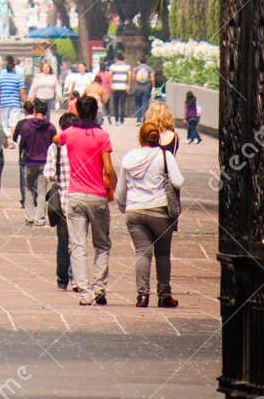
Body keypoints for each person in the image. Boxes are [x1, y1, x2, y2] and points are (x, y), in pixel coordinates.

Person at [116, 122, 184, 307]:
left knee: (142, 253)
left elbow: (120, 189)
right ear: (157, 139)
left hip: (135, 210)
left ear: (140, 137)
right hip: (159, 210)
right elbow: (178, 181)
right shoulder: (165, 155)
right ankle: (164, 295)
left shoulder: (129, 157)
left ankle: (143, 295)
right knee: (162, 254)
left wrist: (123, 206)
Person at [59, 93, 115, 306]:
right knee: (101, 243)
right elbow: (108, 169)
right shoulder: (102, 136)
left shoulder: (69, 134)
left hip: (75, 195)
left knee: (77, 244)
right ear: (95, 112)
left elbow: (57, 139)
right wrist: (113, 186)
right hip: (97, 195)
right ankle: (98, 287)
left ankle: (83, 288)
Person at [42, 109, 76, 290]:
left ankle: (62, 280)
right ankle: (77, 278)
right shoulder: (80, 146)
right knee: (78, 242)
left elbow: (48, 174)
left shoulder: (55, 147)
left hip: (62, 202)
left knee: (63, 242)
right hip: (80, 199)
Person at [13, 99, 58, 224]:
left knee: (28, 189)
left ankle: (29, 217)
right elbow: (54, 144)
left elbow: (21, 144)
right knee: (42, 191)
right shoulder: (51, 127)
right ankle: (40, 218)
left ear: (34, 111)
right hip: (44, 162)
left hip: (30, 161)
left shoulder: (26, 126)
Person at [0, 57, 25, 131]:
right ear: (13, 69)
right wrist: (25, 102)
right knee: (13, 123)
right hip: (15, 103)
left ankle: (6, 139)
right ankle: (12, 138)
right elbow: (22, 92)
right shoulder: (18, 78)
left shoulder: (1, 78)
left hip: (4, 103)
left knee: (4, 123)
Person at [109, 51, 131, 123]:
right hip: (124, 87)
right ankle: (122, 119)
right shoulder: (127, 66)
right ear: (123, 59)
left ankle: (116, 119)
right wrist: (128, 85)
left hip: (115, 87)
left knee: (115, 103)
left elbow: (110, 75)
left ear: (116, 59)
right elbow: (129, 75)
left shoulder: (113, 66)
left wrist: (111, 84)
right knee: (122, 104)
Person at [132, 58, 153, 125]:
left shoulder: (136, 69)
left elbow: (133, 78)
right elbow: (152, 79)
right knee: (145, 104)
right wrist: (152, 86)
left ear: (139, 61)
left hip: (138, 88)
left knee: (138, 104)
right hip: (146, 88)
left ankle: (138, 120)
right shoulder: (149, 69)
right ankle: (144, 119)